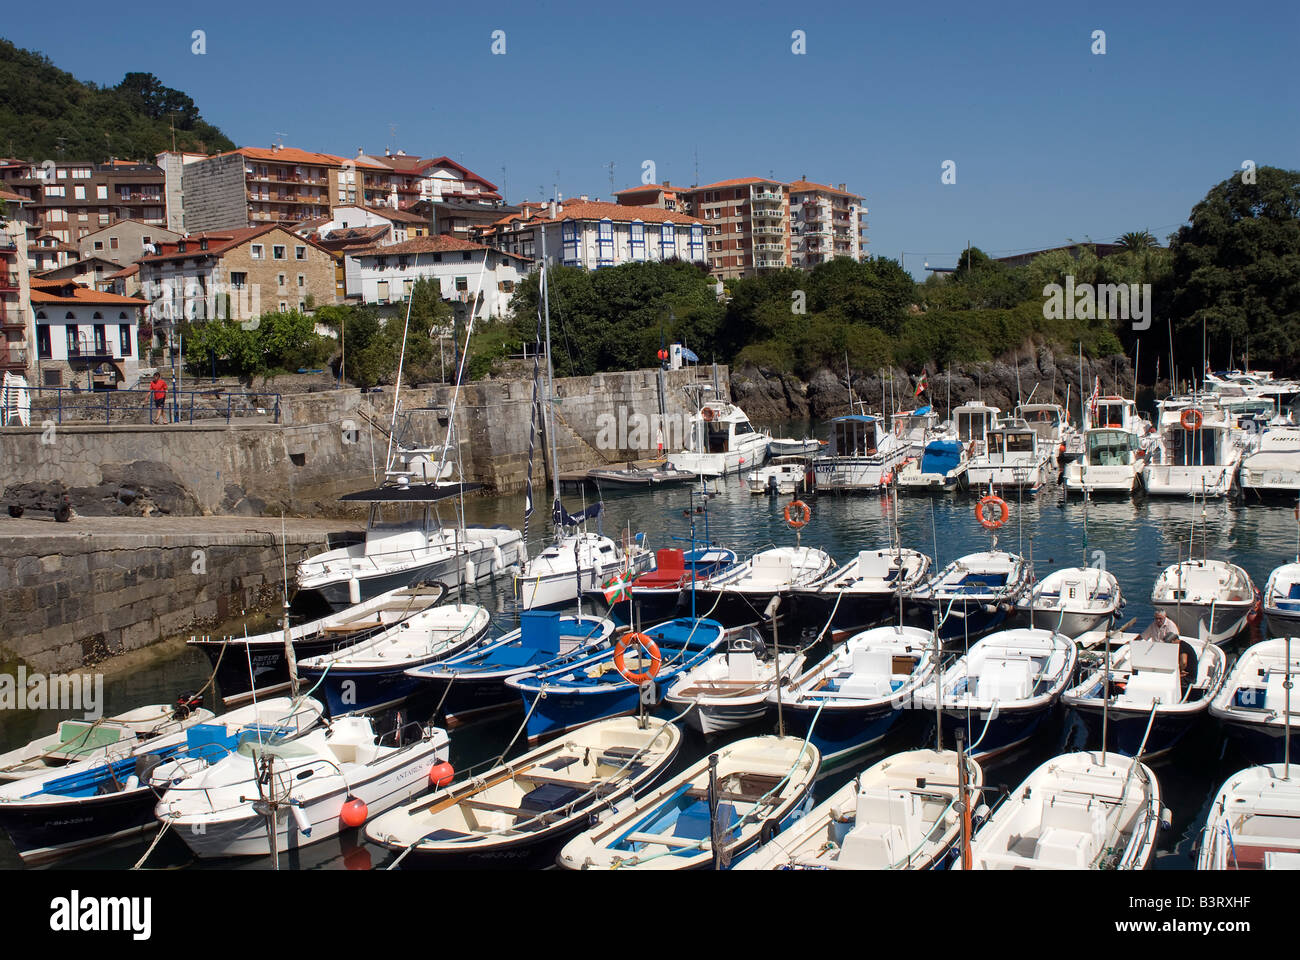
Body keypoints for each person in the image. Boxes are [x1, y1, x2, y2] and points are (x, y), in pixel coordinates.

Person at [1139, 609, 1196, 694]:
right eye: (1156, 618)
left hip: (1188, 678)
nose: (1158, 620)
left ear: (1173, 641)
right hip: (1183, 672)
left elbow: (1183, 662)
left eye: (1160, 618)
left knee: (1163, 678)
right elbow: (1143, 635)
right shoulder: (1182, 644)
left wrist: (1178, 672)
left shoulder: (1181, 646)